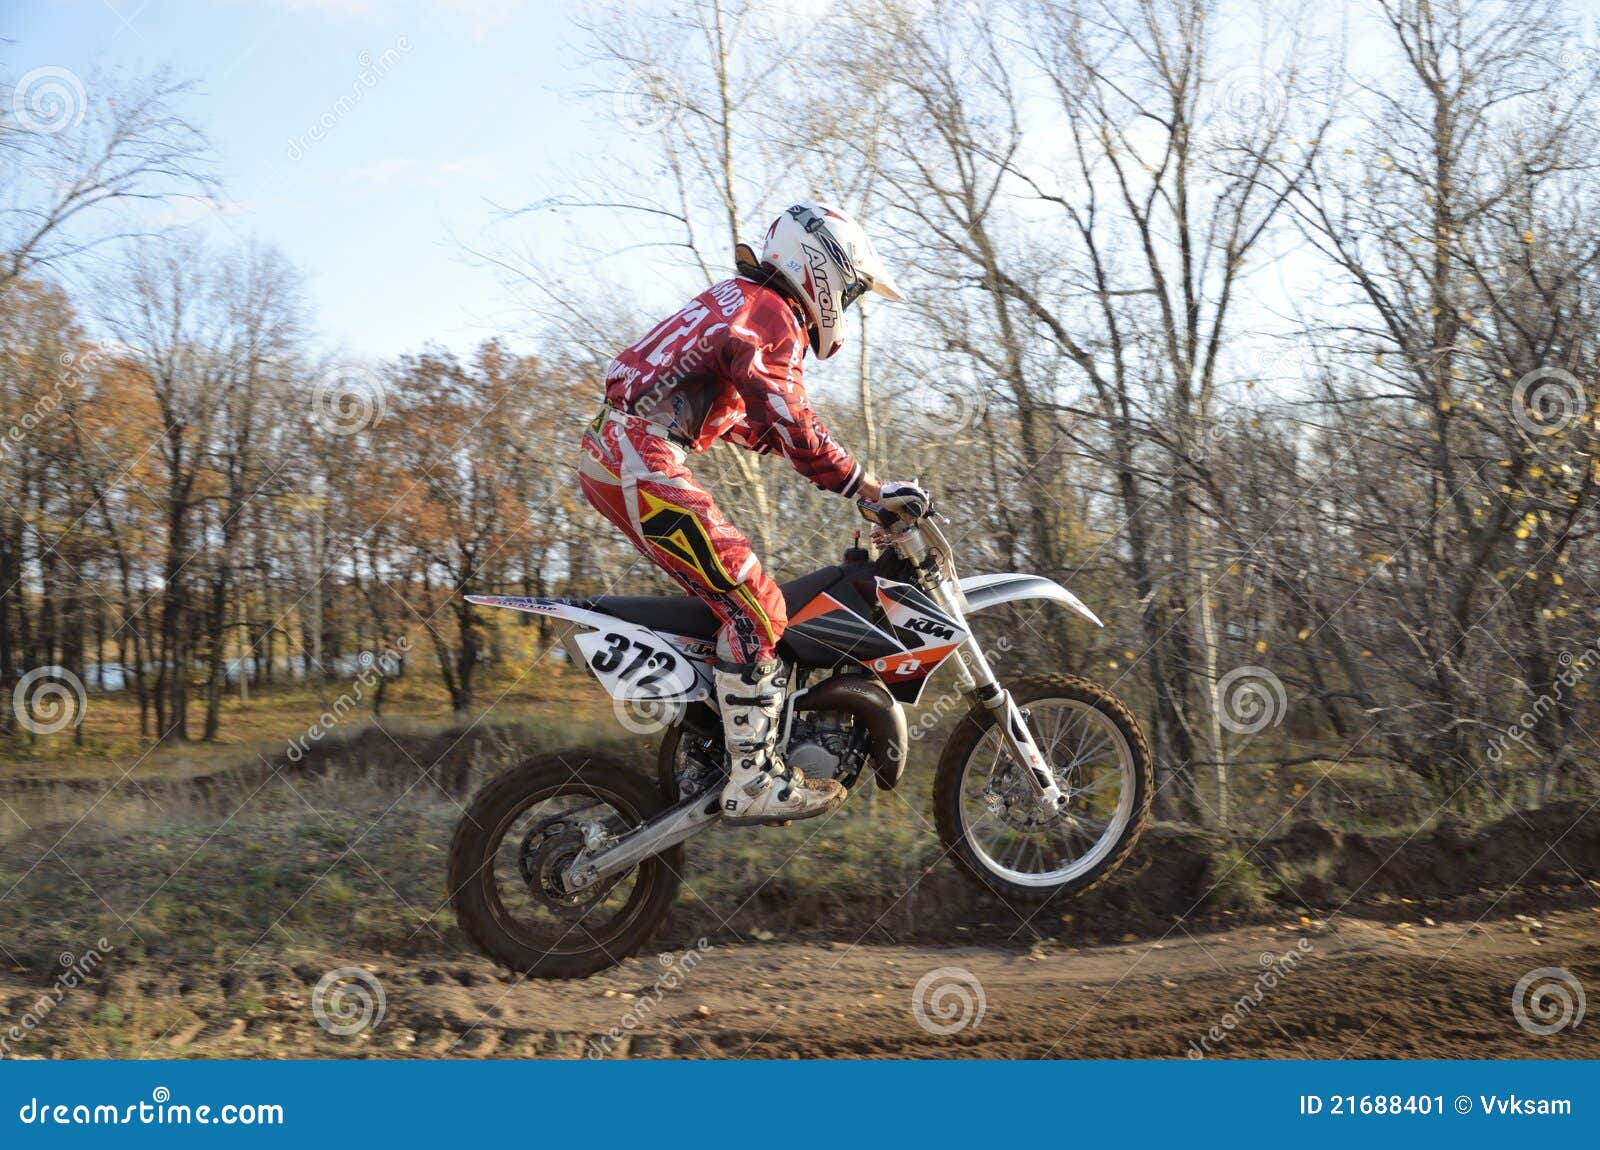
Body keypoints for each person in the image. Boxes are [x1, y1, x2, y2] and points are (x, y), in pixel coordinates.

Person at [578, 199, 928, 825]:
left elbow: (761, 426)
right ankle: (754, 777)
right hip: (638, 458)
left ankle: (721, 738)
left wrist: (853, 482)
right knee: (756, 602)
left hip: (620, 451)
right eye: (848, 291)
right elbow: (795, 424)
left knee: (734, 600)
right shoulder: (770, 313)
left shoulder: (740, 300)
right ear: (824, 268)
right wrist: (870, 489)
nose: (844, 305)